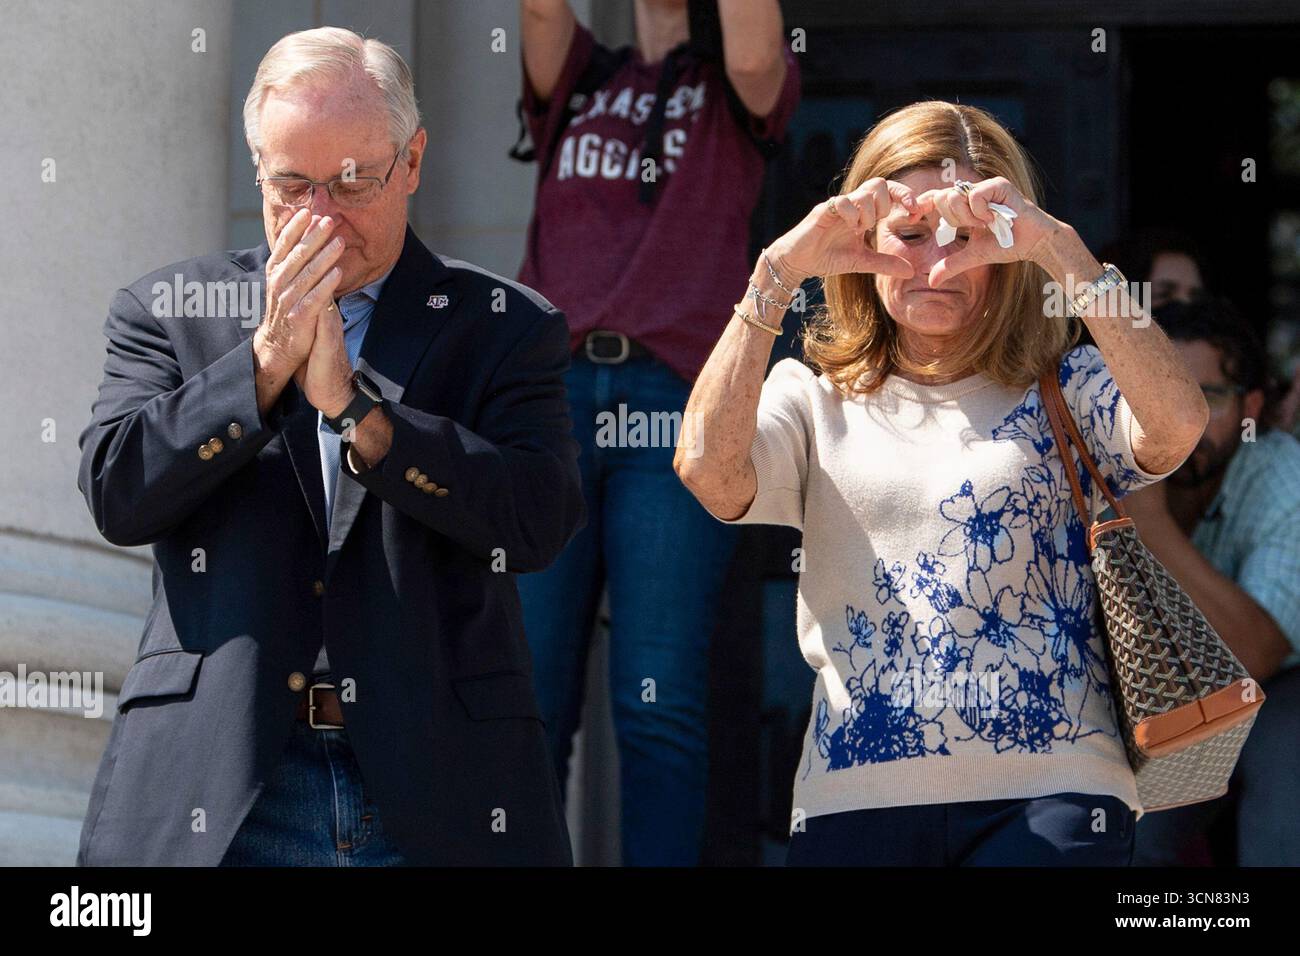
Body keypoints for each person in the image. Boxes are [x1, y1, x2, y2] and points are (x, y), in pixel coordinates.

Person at [75, 27, 584, 866]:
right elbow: (116, 492)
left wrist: (359, 414)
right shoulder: (169, 312)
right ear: (259, 175)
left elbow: (536, 521)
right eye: (291, 187)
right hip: (224, 790)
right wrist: (263, 366)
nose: (318, 218)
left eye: (350, 184)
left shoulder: (505, 327)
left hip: (438, 790)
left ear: (410, 164)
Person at [675, 100, 1209, 866]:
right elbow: (706, 470)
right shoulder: (813, 396)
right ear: (863, 246)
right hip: (854, 797)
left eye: (967, 241)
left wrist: (1061, 251)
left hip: (1057, 792)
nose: (936, 266)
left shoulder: (1067, 382)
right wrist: (779, 271)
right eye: (913, 236)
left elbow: (1177, 425)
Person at [514, 0, 799, 865]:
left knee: (658, 701)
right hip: (551, 392)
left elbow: (754, 44)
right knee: (528, 698)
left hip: (676, 397)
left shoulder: (736, 86)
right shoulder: (584, 72)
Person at [1125, 296, 1300, 866]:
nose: (1185, 419)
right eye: (1166, 397)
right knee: (1137, 834)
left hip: (1276, 693)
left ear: (1251, 406)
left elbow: (1259, 654)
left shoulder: (1280, 473)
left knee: (1282, 811)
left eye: (1210, 398)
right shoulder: (1114, 457)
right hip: (1149, 700)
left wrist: (1149, 523)